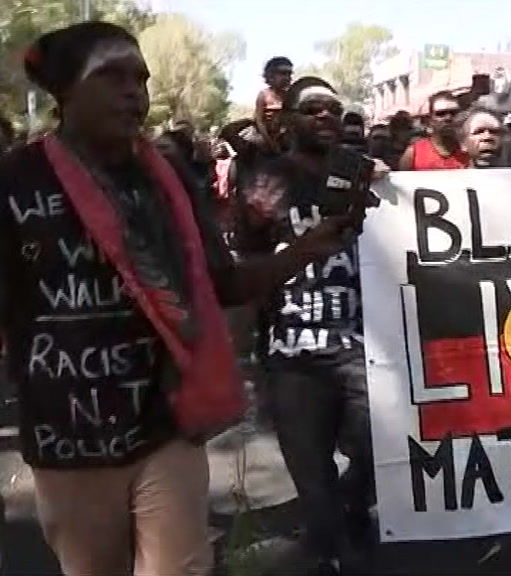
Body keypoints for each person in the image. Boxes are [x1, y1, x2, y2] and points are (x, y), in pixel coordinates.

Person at [2, 23, 363, 576]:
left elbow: (225, 284)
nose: (134, 92)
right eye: (112, 76)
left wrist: (313, 247)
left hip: (167, 425)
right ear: (65, 91)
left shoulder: (166, 179)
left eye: (141, 79)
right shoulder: (16, 181)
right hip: (69, 441)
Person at [235, 76, 382, 576]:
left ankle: (354, 506)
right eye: (313, 109)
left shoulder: (366, 174)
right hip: (290, 347)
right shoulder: (268, 179)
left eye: (333, 111)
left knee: (377, 447)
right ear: (290, 120)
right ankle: (331, 553)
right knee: (310, 470)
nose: (325, 117)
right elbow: (245, 258)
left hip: (362, 344)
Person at [399, 91, 468, 170]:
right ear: (429, 120)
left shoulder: (470, 149)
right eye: (441, 113)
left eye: (453, 113)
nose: (448, 118)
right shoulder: (414, 153)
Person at [254, 56, 293, 154]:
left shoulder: (290, 95)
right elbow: (259, 120)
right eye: (283, 74)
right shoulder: (264, 95)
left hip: (286, 138)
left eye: (289, 74)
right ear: (270, 76)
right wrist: (269, 142)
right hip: (265, 136)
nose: (287, 78)